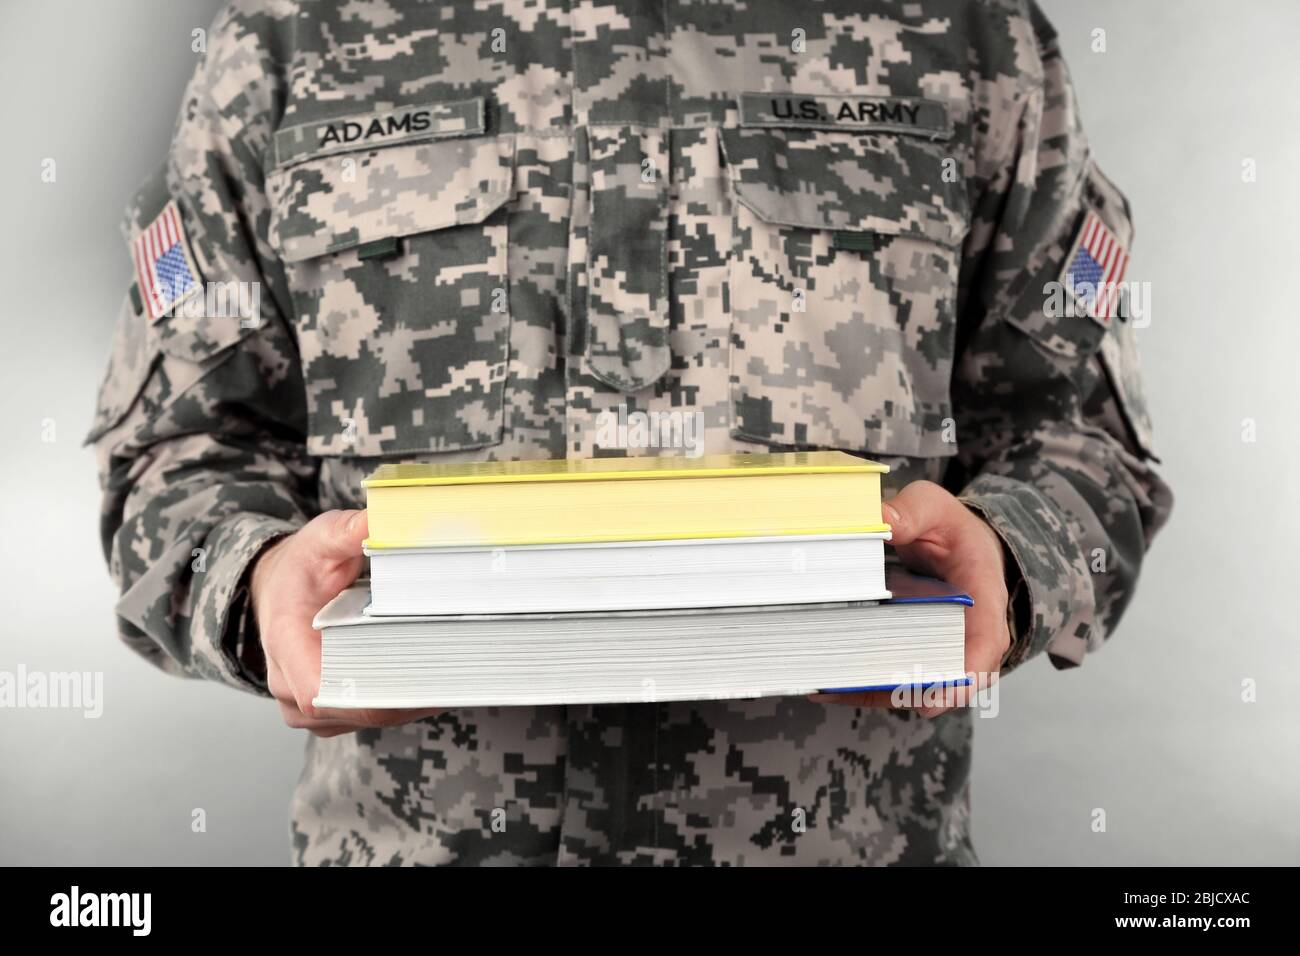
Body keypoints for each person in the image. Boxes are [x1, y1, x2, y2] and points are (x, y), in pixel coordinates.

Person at [88, 0, 1172, 865]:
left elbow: (1078, 432)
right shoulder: (290, 38)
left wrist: (1016, 563)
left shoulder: (964, 33)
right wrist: (251, 579)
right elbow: (179, 447)